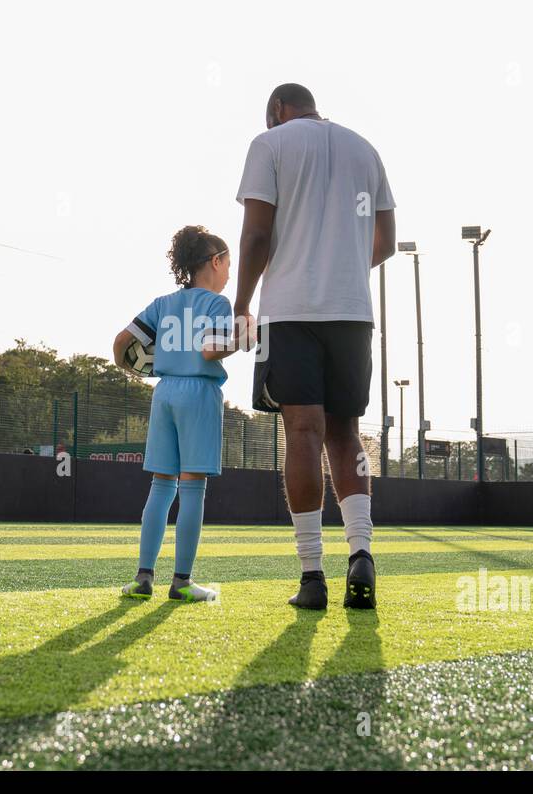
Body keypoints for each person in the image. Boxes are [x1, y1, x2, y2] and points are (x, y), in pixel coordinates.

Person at [233, 83, 396, 610]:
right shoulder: (365, 148)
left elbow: (256, 235)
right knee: (347, 435)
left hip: (292, 312)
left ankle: (312, 576)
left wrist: (241, 304)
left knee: (303, 431)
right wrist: (342, 271)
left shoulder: (270, 144)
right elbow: (387, 243)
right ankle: (362, 553)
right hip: (352, 314)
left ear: (278, 110)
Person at [111, 226, 239, 602]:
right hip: (198, 393)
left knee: (161, 486)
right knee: (193, 489)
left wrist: (134, 370)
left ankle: (142, 577)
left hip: (164, 392)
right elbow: (211, 351)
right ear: (215, 262)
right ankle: (182, 582)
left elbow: (121, 343)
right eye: (228, 264)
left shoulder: (162, 303)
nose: (229, 273)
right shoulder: (219, 304)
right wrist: (245, 340)